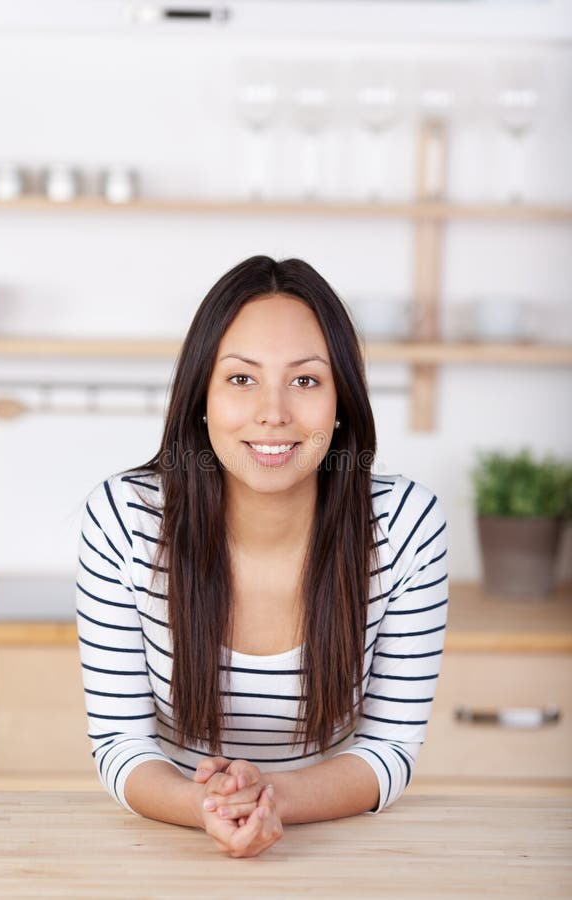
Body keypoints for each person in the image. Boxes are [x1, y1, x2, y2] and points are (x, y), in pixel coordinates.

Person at [75, 254, 448, 859]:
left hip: (334, 846)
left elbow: (389, 749)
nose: (273, 412)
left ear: (341, 402)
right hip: (170, 845)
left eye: (305, 380)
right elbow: (121, 744)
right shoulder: (128, 519)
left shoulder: (405, 526)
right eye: (241, 379)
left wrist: (270, 797)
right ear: (202, 395)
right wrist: (206, 809)